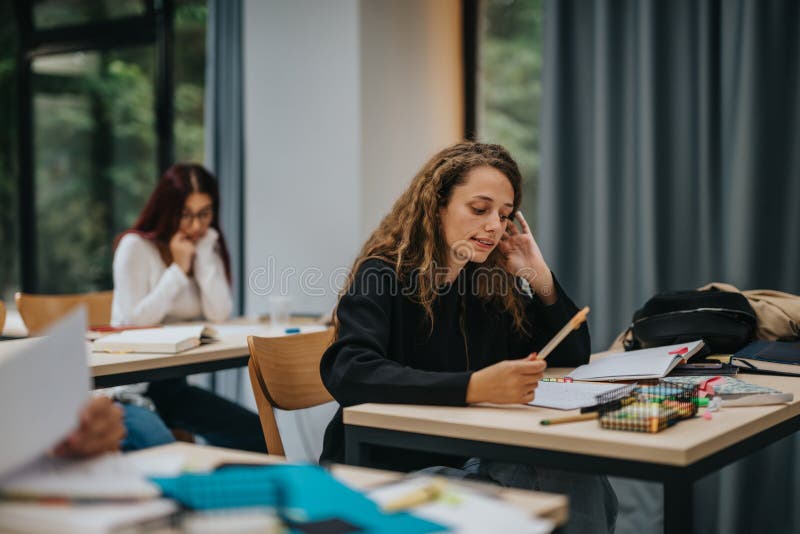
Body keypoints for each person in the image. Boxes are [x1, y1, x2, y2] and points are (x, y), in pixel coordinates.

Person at [319, 142, 617, 532]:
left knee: (577, 470)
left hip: (465, 455)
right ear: (437, 204)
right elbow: (349, 371)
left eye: (504, 215)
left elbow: (571, 352)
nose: (494, 225)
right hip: (387, 468)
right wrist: (474, 387)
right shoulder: (382, 273)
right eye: (480, 210)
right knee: (563, 479)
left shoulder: (483, 282)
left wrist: (540, 280)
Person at [110, 163, 265, 453]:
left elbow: (219, 313)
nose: (196, 226)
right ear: (167, 210)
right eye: (186, 214)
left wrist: (204, 257)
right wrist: (178, 271)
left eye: (204, 214)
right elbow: (132, 321)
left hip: (173, 389)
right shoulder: (134, 247)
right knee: (162, 448)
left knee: (255, 433)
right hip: (128, 391)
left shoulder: (204, 245)